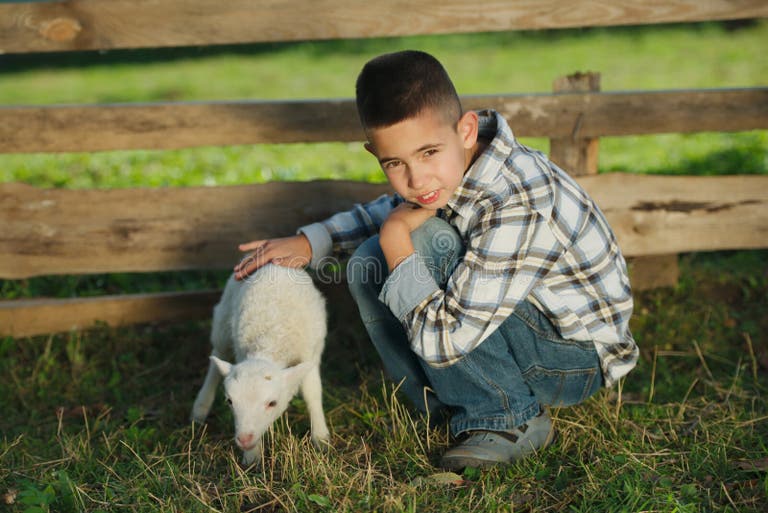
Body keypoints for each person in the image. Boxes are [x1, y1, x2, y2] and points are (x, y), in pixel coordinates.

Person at [233, 50, 638, 470]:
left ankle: (509, 418)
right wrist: (312, 241)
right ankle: (445, 406)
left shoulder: (516, 201)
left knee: (421, 242)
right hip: (513, 326)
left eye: (428, 152)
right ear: (375, 153)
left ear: (466, 131)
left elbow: (444, 340)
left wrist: (395, 236)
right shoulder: (457, 166)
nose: (417, 179)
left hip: (572, 359)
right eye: (395, 162)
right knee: (369, 259)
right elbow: (392, 208)